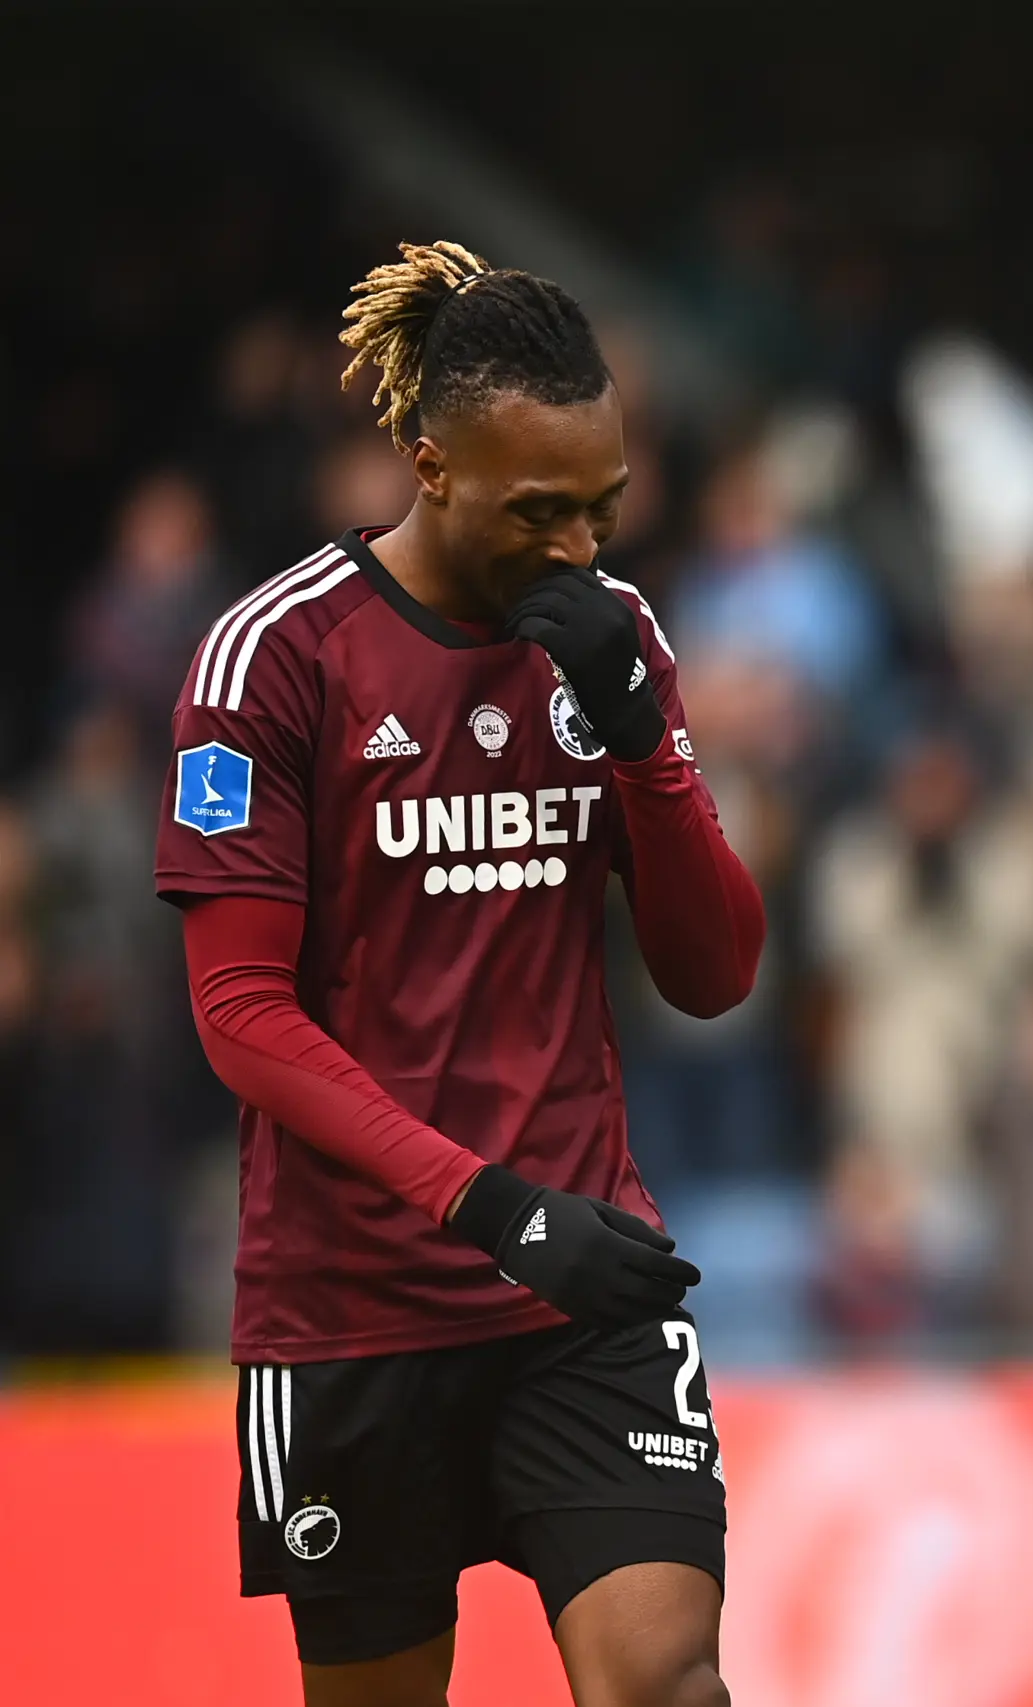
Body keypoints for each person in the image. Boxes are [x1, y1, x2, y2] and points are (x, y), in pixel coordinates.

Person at [155, 240, 764, 1707]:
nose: (576, 548)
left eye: (603, 507)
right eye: (536, 510)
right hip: (353, 1308)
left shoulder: (616, 646)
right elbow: (240, 1018)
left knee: (667, 1684)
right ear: (428, 465)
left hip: (584, 1287)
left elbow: (717, 969)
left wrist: (640, 739)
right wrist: (488, 1207)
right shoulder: (272, 661)